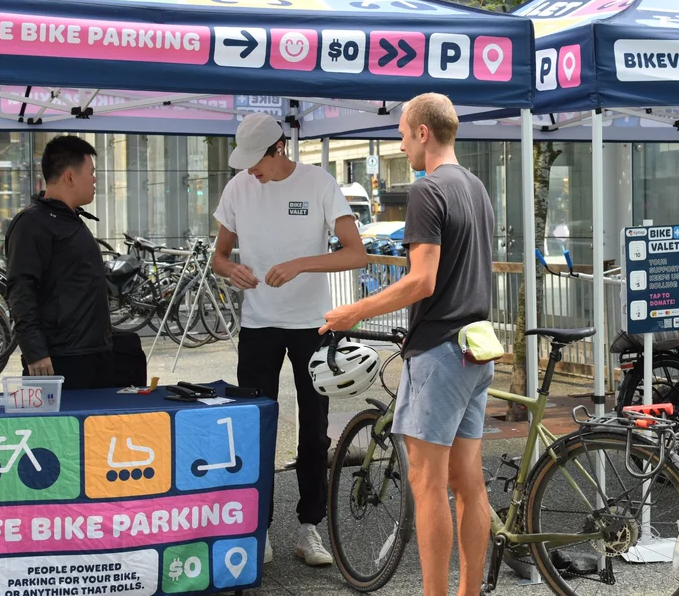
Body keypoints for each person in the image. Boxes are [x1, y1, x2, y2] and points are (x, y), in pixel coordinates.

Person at [321, 93, 495, 596]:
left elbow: (422, 281)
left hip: (440, 353)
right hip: (475, 350)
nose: (400, 143)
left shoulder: (428, 190)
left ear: (423, 132)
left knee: (427, 485)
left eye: (401, 133)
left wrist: (351, 311)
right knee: (469, 483)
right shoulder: (476, 188)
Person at [211, 112, 366, 566]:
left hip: (311, 325)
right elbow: (220, 255)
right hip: (258, 324)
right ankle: (256, 529)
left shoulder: (319, 183)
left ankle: (308, 528)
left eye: (255, 160)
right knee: (254, 428)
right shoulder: (238, 187)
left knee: (314, 434)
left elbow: (354, 253)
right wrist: (231, 268)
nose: (249, 171)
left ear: (279, 149)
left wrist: (301, 263)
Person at [5, 135, 113, 390]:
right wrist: (35, 351)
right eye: (91, 172)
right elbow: (21, 289)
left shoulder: (71, 220)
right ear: (70, 177)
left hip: (92, 353)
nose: (95, 179)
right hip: (59, 361)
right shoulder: (32, 223)